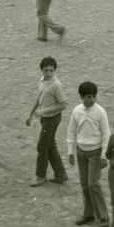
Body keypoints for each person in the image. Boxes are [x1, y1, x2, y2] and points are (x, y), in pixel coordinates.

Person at [66, 81, 110, 227]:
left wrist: (104, 155)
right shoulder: (76, 111)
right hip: (81, 152)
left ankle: (103, 216)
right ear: (81, 97)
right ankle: (89, 214)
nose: (91, 99)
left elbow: (106, 135)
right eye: (88, 97)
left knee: (93, 184)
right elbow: (71, 131)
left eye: (93, 96)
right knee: (85, 185)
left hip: (95, 153)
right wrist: (70, 152)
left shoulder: (100, 112)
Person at [25, 56, 69, 186]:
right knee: (49, 145)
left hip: (51, 119)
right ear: (42, 71)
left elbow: (63, 105)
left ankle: (41, 176)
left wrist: (43, 111)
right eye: (46, 70)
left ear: (54, 70)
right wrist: (31, 114)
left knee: (42, 146)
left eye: (51, 70)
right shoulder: (43, 81)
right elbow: (39, 97)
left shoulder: (56, 85)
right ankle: (60, 174)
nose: (48, 73)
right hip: (46, 118)